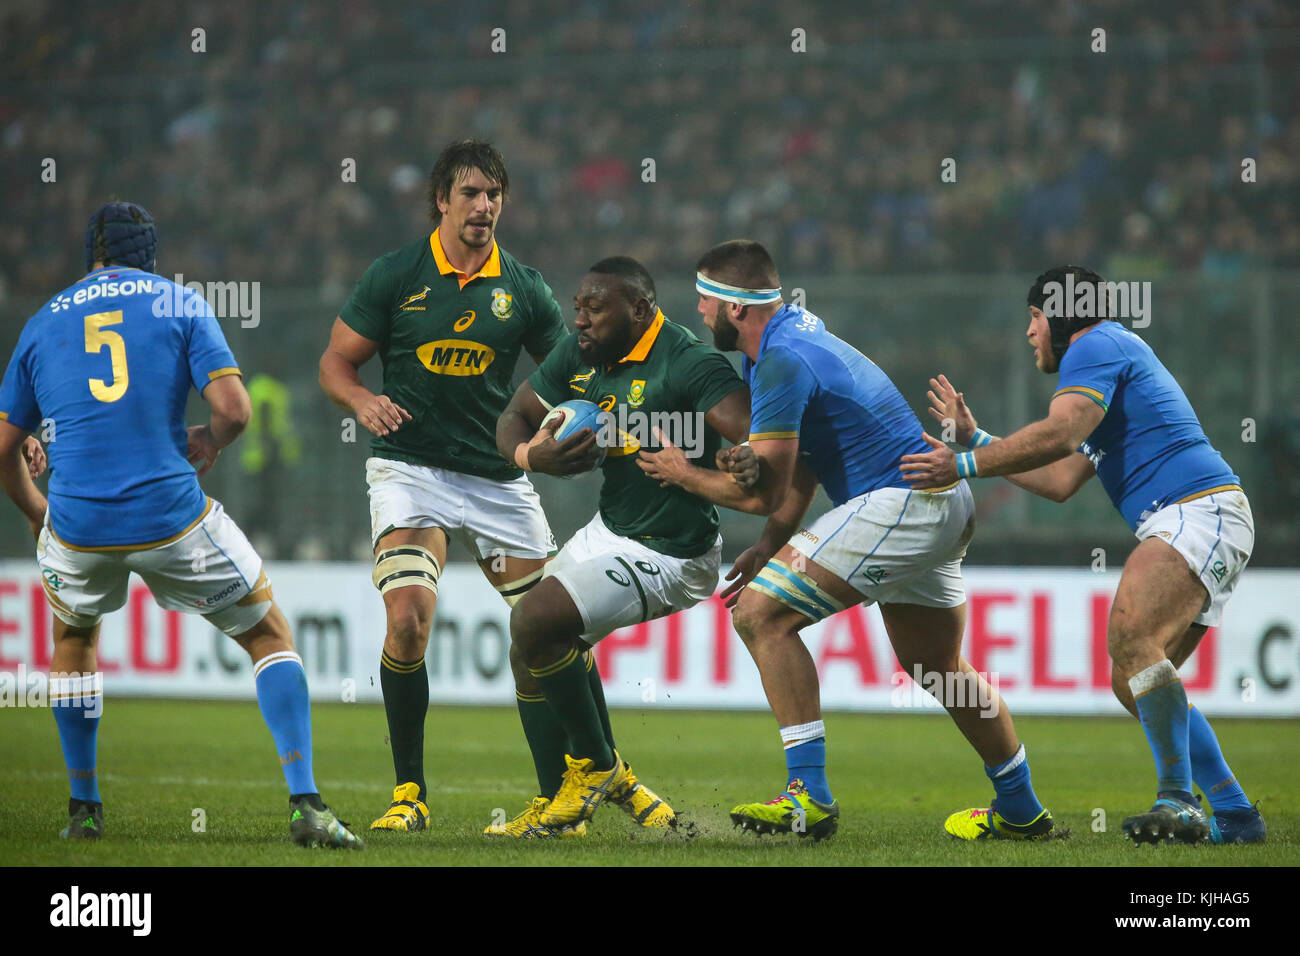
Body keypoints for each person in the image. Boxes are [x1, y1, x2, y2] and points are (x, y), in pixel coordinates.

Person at [638, 240, 1055, 841]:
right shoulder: (789, 340)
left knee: (760, 617)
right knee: (936, 667)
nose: (698, 310)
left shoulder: (780, 360)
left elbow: (761, 491)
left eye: (705, 298)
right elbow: (801, 466)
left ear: (735, 309)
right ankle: (1020, 806)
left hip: (904, 500)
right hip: (941, 502)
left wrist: (683, 473)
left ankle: (808, 797)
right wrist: (769, 541)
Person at [318, 141, 670, 834]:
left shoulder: (527, 290)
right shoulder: (397, 275)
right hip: (410, 469)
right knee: (408, 621)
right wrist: (360, 402)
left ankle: (573, 790)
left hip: (498, 478)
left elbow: (574, 369)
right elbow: (336, 360)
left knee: (549, 631)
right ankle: (409, 795)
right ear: (442, 202)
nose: (484, 206)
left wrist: (588, 420)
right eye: (471, 194)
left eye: (494, 195)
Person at [0, 200, 361, 848]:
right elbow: (236, 409)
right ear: (152, 258)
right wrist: (209, 441)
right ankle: (306, 805)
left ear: (95, 257)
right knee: (268, 633)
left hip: (77, 528)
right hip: (170, 518)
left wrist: (38, 514)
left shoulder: (41, 321)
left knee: (74, 638)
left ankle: (84, 811)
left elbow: (4, 448)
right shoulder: (179, 303)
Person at [900, 264, 1265, 845]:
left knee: (1129, 638)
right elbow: (1060, 478)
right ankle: (1236, 814)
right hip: (1206, 514)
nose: (1029, 333)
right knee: (1133, 678)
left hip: (1197, 508)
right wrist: (976, 440)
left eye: (1034, 318)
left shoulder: (1095, 344)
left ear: (1062, 316)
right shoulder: (1109, 363)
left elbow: (1061, 433)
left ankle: (1177, 800)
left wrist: (963, 464)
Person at [497, 256, 754, 830]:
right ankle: (562, 807)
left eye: (595, 309)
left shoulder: (687, 361)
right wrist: (531, 455)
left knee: (538, 620)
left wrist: (746, 455)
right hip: (610, 530)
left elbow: (756, 431)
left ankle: (595, 766)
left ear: (640, 310)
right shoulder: (581, 354)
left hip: (673, 550)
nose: (580, 321)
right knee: (527, 649)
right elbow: (514, 414)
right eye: (577, 308)